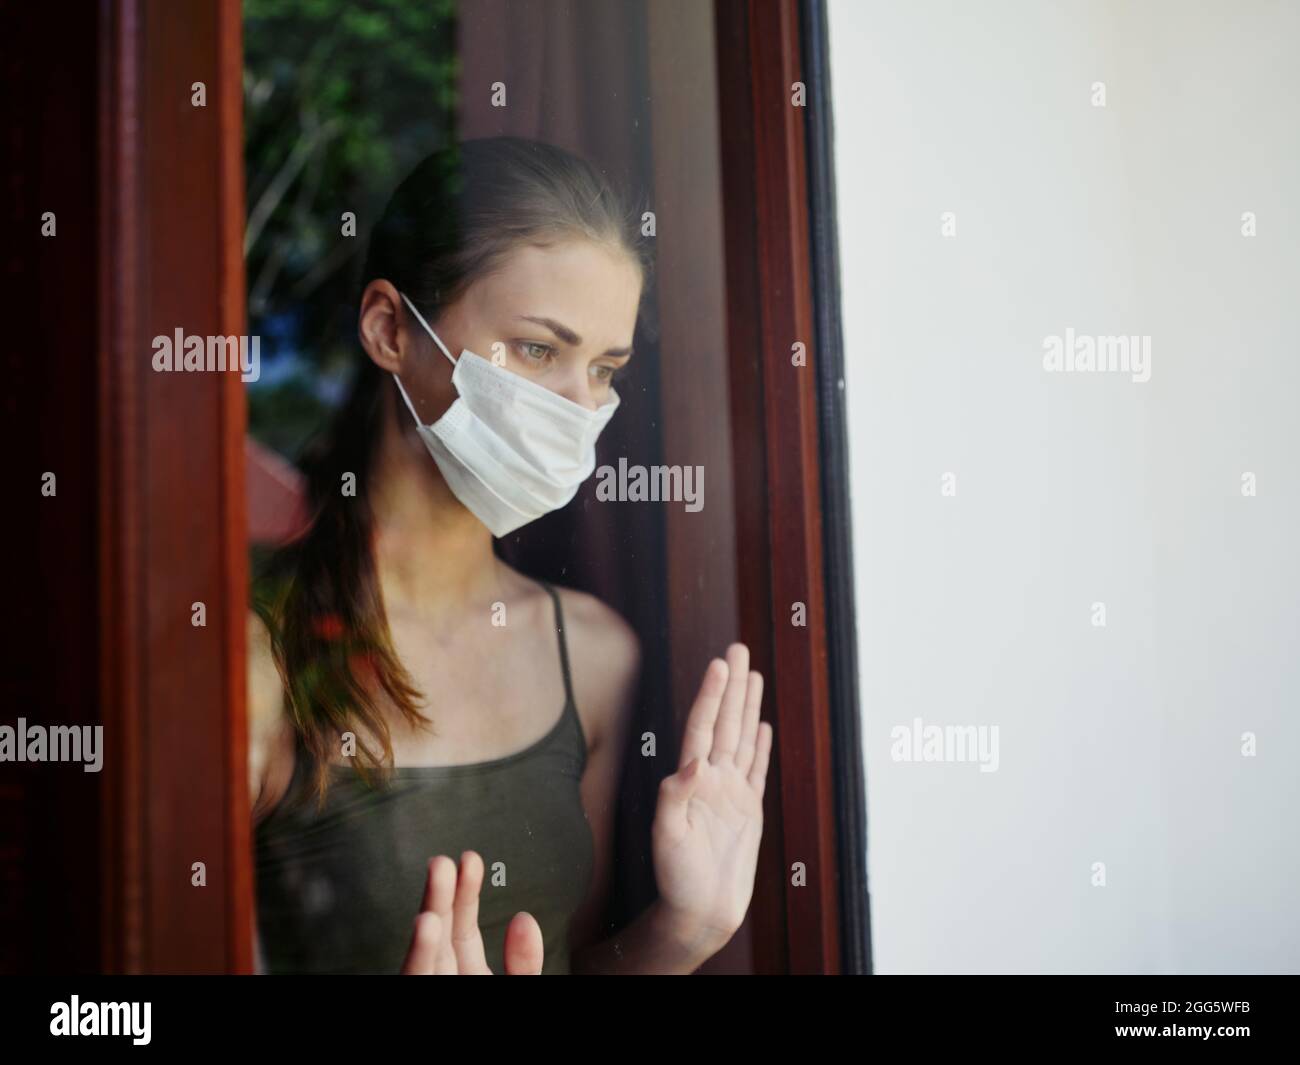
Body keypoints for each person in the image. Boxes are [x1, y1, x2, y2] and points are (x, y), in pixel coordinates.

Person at [248, 136, 772, 974]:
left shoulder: (594, 655)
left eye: (605, 368)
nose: (579, 407)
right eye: (537, 349)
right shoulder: (256, 656)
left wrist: (687, 927)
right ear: (390, 328)